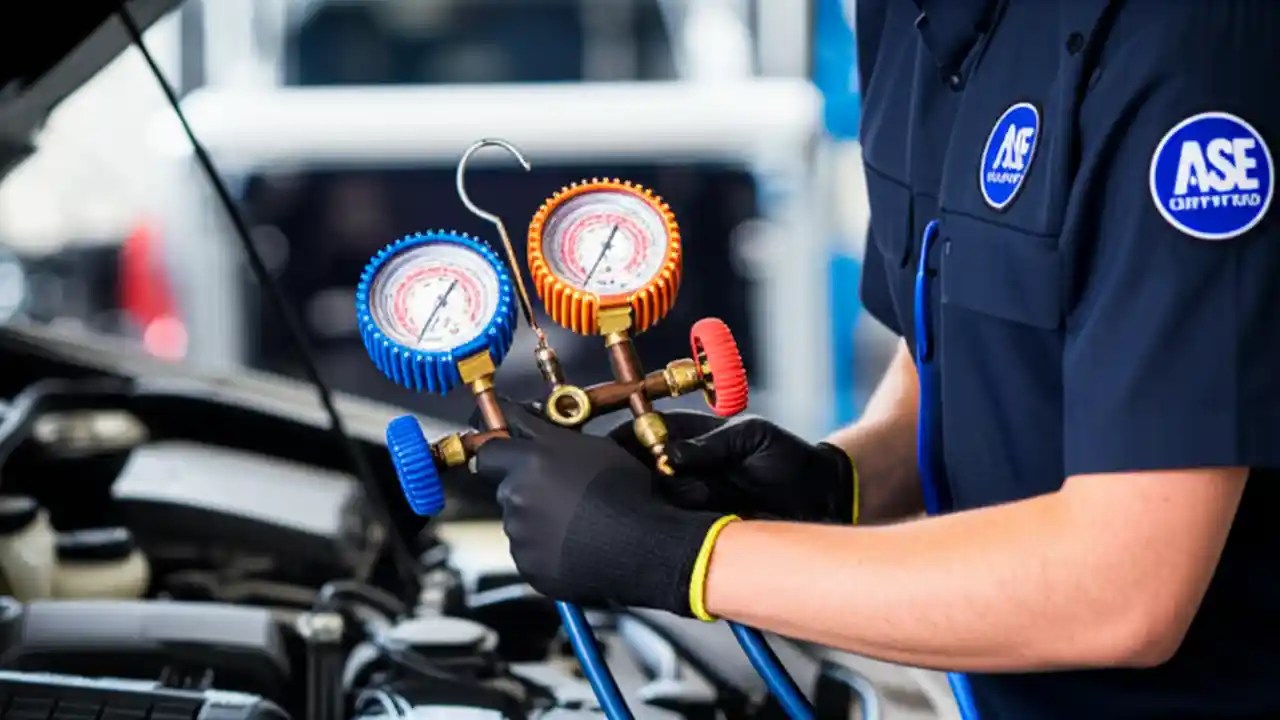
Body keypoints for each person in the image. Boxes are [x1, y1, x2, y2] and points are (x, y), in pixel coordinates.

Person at [474, 1, 1280, 717]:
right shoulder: (908, 22)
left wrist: (688, 557)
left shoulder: (1199, 45)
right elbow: (963, 339)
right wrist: (844, 481)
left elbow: (1123, 590)